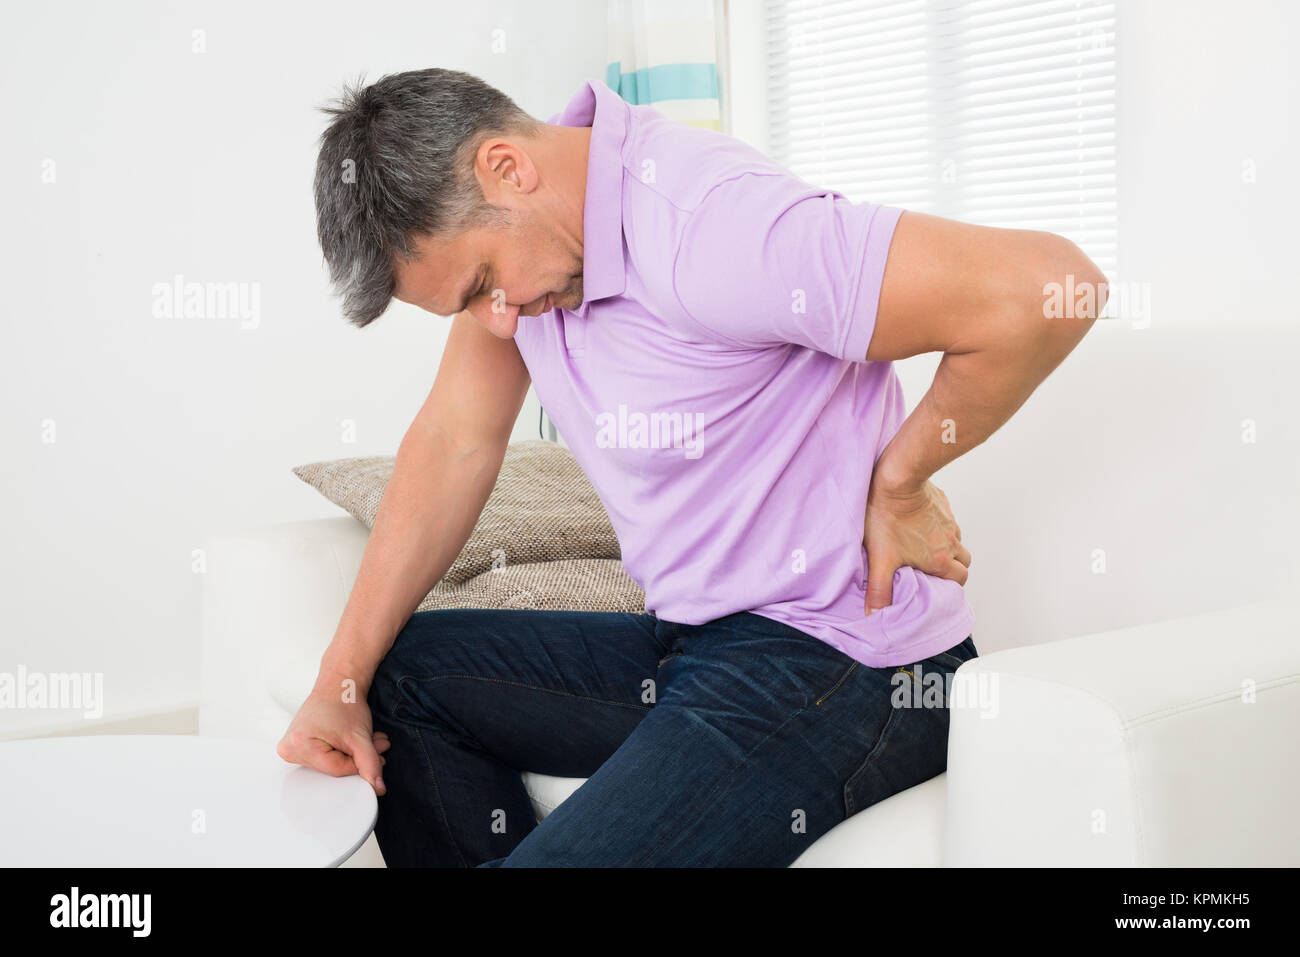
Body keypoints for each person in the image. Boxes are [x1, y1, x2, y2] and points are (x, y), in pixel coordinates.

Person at [279, 68, 1106, 866]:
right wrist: (337, 678)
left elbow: (1045, 287)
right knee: (401, 677)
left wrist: (902, 478)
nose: (494, 324)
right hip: (701, 644)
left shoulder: (712, 224)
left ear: (507, 167)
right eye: (467, 304)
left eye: (483, 283)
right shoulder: (529, 272)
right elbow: (454, 442)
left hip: (851, 664)